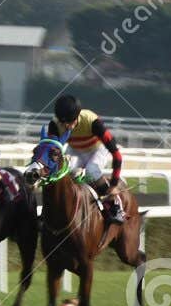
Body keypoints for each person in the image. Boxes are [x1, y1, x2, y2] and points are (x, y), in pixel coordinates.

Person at [42, 94, 125, 224]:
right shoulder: (55, 124)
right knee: (64, 170)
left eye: (70, 122)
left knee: (91, 170)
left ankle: (115, 205)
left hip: (97, 149)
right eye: (63, 123)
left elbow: (117, 155)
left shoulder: (92, 121)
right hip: (75, 149)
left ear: (77, 116)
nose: (67, 127)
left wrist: (114, 185)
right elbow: (51, 151)